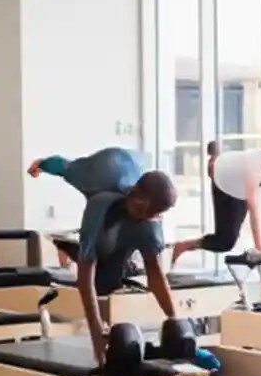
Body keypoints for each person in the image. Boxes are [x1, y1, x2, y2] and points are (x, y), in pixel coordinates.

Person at [28, 147, 180, 362]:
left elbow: (155, 273)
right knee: (68, 170)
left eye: (155, 214)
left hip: (130, 170)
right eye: (147, 212)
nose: (150, 218)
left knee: (113, 272)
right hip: (103, 170)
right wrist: (96, 333)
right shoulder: (100, 201)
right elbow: (85, 277)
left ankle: (109, 254)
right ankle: (70, 246)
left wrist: (175, 321)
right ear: (136, 198)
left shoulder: (150, 221)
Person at [169, 142, 261, 272]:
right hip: (225, 178)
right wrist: (260, 245)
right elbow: (253, 204)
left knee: (226, 242)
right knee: (225, 241)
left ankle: (182, 246)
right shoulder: (258, 166)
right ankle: (181, 246)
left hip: (237, 179)